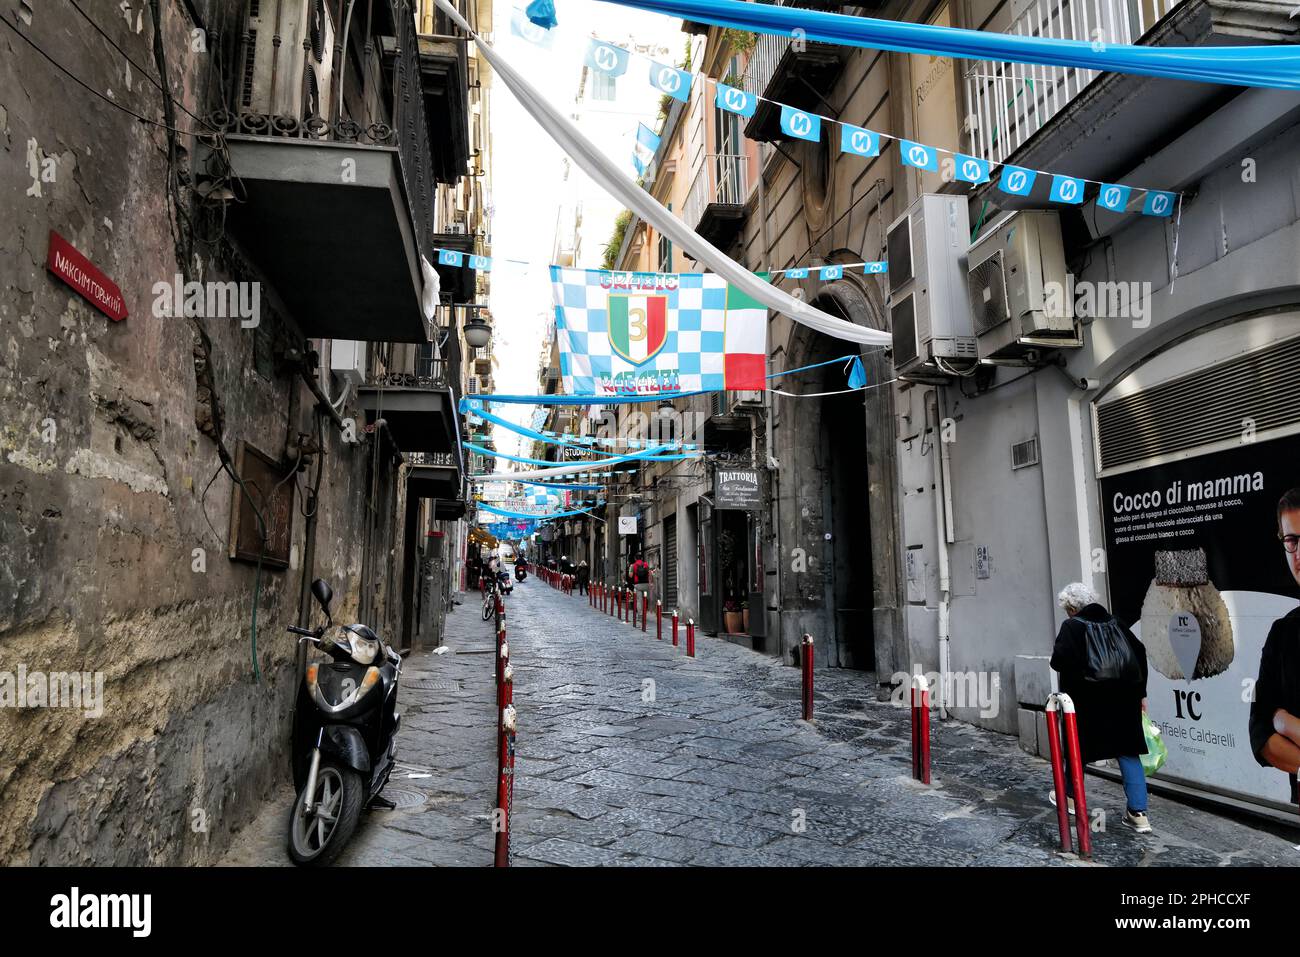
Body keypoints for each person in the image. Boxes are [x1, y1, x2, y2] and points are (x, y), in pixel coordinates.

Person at [1049, 581, 1152, 834]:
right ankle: (1139, 814)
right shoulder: (1116, 623)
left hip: (1088, 702)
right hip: (1125, 700)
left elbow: (1058, 661)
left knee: (1078, 750)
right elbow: (1139, 651)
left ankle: (1071, 798)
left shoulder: (1072, 626)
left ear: (1072, 608)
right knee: (1128, 752)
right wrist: (1140, 694)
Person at [1250, 487, 1300, 807]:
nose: (1299, 554)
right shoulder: (1283, 633)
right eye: (1292, 541)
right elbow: (1260, 732)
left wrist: (1287, 723)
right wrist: (1277, 721)